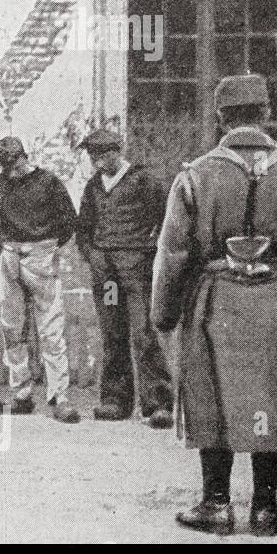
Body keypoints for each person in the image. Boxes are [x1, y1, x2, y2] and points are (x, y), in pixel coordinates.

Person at [152, 74, 277, 537]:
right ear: (266, 114)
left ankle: (217, 504)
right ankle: (265, 508)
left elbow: (173, 253)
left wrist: (163, 312)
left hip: (215, 299)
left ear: (220, 118)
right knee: (272, 399)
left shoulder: (194, 175)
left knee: (212, 395)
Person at [0, 136, 80, 423]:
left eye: (16, 162)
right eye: (7, 164)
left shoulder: (48, 183)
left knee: (51, 330)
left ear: (25, 156)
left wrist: (48, 249)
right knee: (11, 328)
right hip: (9, 256)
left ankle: (60, 397)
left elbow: (69, 221)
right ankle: (21, 394)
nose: (13, 169)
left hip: (42, 256)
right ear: (1, 164)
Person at [75, 129, 173, 428]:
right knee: (112, 331)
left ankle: (158, 403)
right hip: (107, 278)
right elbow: (83, 230)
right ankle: (115, 400)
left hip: (136, 272)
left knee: (144, 331)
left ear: (117, 152)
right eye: (93, 156)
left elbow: (166, 221)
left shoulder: (145, 180)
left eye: (102, 155)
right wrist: (95, 257)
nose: (97, 162)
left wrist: (150, 254)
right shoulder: (93, 187)